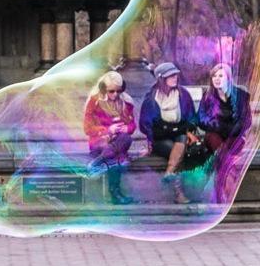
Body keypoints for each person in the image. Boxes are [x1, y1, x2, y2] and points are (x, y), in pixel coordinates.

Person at [139, 62, 198, 204]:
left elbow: (192, 118)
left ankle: (170, 173)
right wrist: (173, 129)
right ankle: (178, 192)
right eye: (170, 76)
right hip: (160, 139)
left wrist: (185, 129)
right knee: (178, 150)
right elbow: (147, 125)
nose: (174, 78)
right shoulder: (151, 99)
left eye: (175, 75)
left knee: (182, 140)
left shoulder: (183, 95)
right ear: (161, 78)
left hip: (181, 136)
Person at [83, 70, 136, 205]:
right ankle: (115, 194)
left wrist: (127, 128)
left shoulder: (126, 102)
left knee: (126, 138)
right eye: (111, 91)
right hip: (100, 143)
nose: (115, 94)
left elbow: (132, 124)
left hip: (118, 141)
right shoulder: (94, 102)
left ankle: (97, 162)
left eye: (118, 91)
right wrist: (108, 130)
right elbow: (87, 129)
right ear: (103, 89)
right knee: (117, 156)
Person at [197, 63, 251, 154]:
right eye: (214, 76)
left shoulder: (241, 96)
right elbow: (201, 118)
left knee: (232, 144)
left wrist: (232, 130)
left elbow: (246, 120)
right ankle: (225, 163)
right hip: (215, 134)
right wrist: (217, 126)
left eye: (221, 76)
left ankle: (222, 162)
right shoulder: (207, 96)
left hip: (234, 135)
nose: (217, 78)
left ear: (228, 78)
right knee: (215, 141)